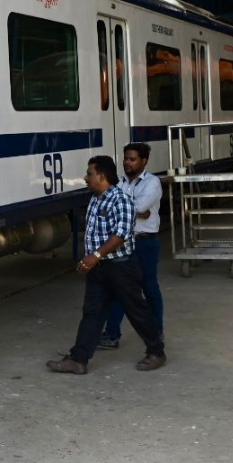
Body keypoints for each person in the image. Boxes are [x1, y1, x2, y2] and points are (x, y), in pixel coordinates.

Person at [47, 156, 166, 375]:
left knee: (136, 310)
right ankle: (79, 359)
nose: (85, 177)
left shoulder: (120, 199)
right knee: (92, 312)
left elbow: (120, 234)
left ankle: (156, 351)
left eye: (89, 173)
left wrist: (94, 256)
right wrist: (91, 260)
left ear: (101, 175)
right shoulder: (96, 199)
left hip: (121, 268)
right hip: (99, 269)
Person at [99, 143, 164, 350]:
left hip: (145, 242)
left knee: (148, 287)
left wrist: (125, 209)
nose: (127, 162)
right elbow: (105, 206)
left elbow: (140, 207)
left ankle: (157, 332)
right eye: (126, 158)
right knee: (119, 289)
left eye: (132, 159)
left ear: (144, 161)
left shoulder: (152, 183)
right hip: (124, 242)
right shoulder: (119, 183)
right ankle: (112, 334)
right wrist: (134, 210)